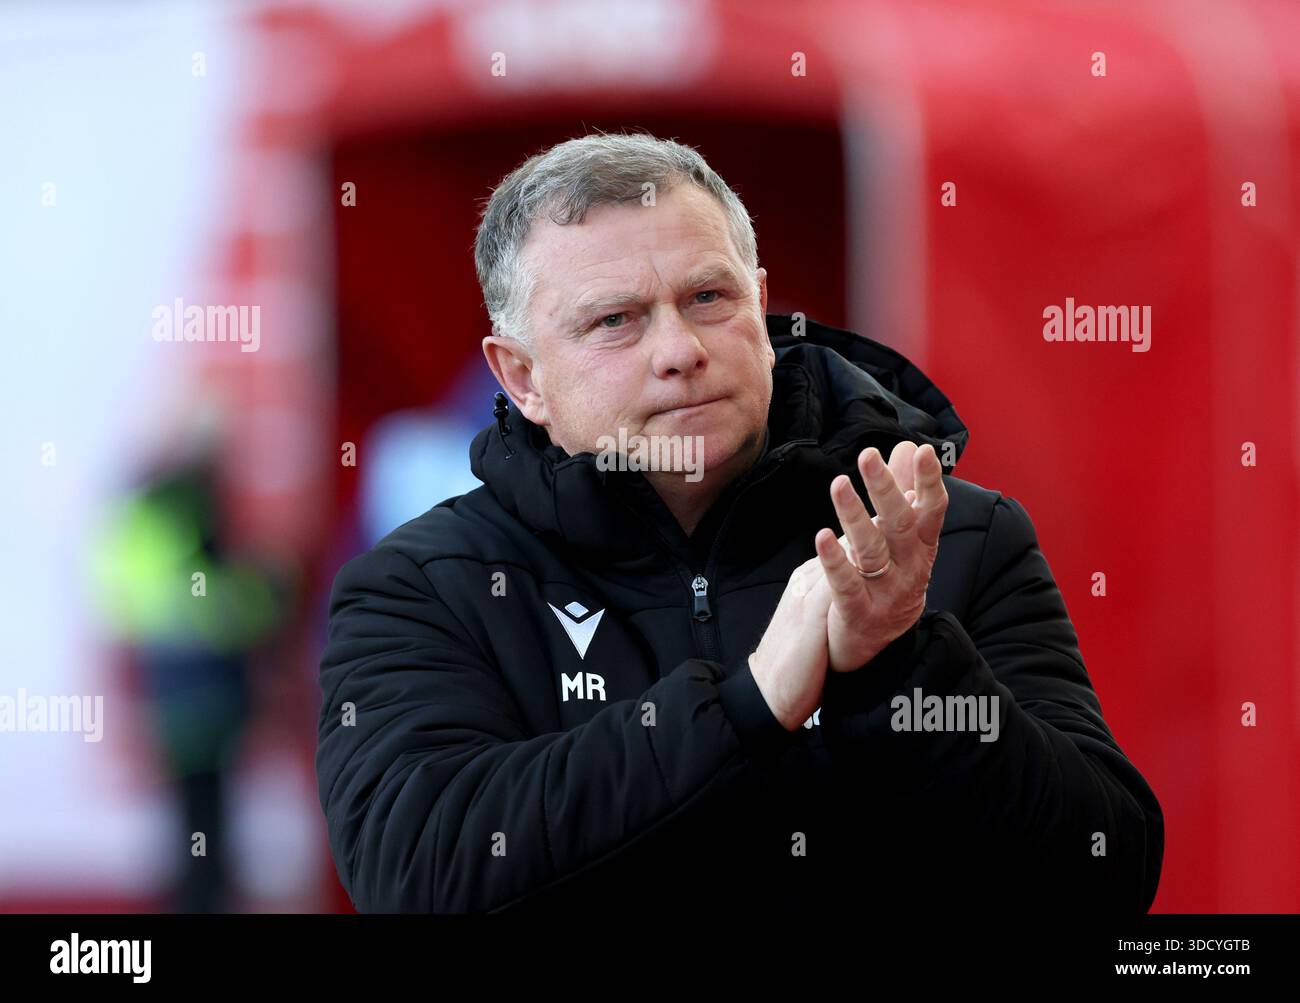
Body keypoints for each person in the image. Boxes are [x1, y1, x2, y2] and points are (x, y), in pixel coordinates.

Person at [315, 132, 1163, 916]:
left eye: (708, 297)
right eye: (616, 320)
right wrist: (749, 705)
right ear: (522, 377)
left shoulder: (952, 536)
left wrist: (900, 667)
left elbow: (1106, 866)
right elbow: (418, 871)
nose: (679, 348)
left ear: (760, 308)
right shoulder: (423, 586)